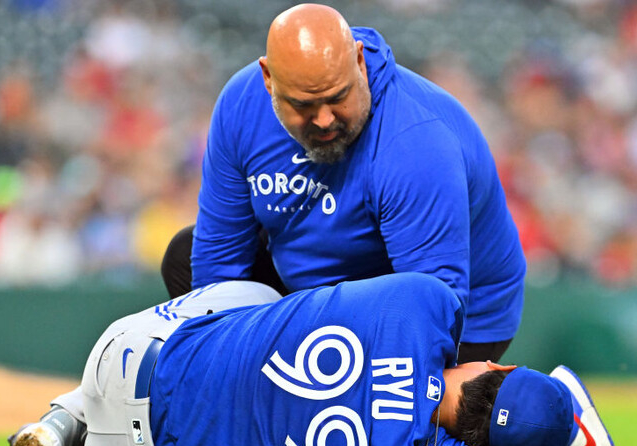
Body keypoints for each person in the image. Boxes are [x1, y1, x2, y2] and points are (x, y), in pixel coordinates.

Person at [5, 273, 637, 446]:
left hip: (126, 353)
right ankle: (68, 445)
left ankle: (61, 417)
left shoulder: (425, 303)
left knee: (257, 297)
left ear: (498, 367)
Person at [160, 3, 526, 364]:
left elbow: (434, 312)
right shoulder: (241, 105)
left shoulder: (415, 142)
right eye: (304, 105)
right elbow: (219, 260)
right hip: (315, 294)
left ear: (360, 62)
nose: (324, 119)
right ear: (268, 79)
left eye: (337, 98)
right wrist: (221, 370)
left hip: (448, 315)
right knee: (184, 258)